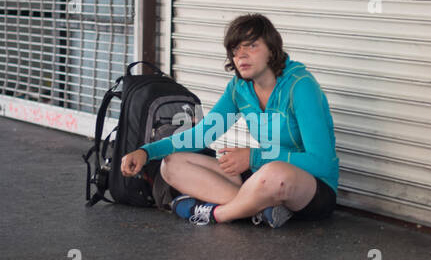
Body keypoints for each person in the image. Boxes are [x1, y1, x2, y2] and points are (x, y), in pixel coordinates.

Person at [119, 13, 339, 227]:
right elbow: (200, 136)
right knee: (171, 164)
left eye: (251, 46)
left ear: (272, 50)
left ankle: (216, 213)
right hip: (262, 177)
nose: (241, 55)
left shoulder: (300, 86)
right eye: (235, 49)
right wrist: (146, 152)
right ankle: (260, 210)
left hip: (310, 189)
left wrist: (254, 157)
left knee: (275, 172)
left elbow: (321, 162)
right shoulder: (239, 89)